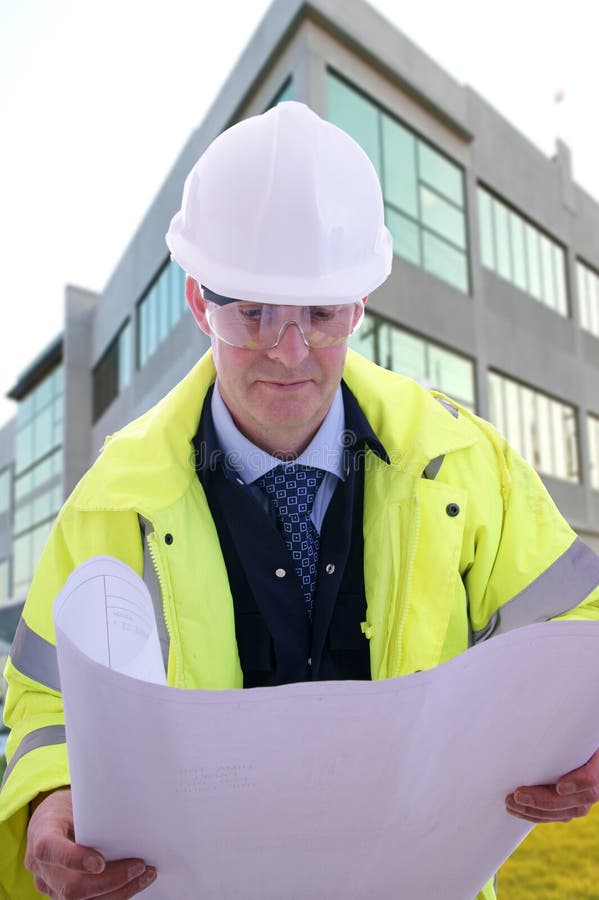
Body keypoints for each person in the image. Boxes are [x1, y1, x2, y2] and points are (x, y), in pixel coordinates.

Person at [1, 101, 599, 900]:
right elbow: (45, 701)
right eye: (252, 313)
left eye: (320, 314)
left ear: (358, 306)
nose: (290, 352)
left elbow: (576, 633)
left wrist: (579, 738)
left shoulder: (466, 466)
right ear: (198, 303)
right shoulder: (110, 503)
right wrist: (51, 796)